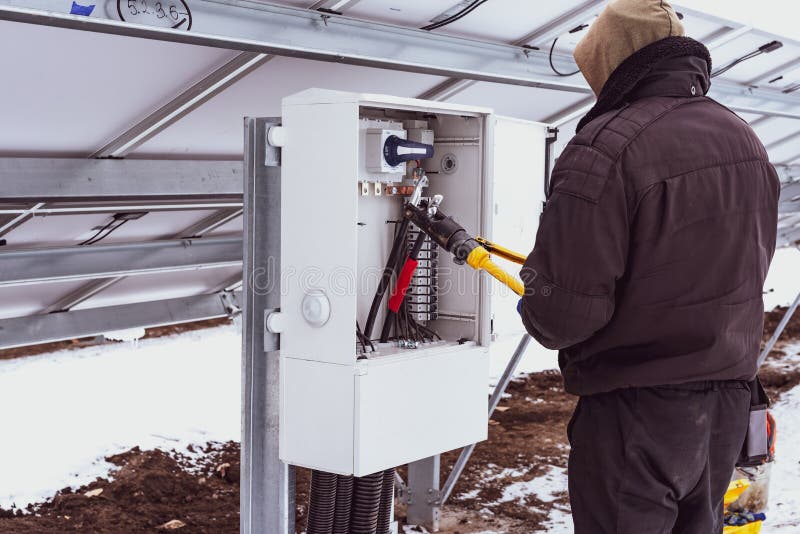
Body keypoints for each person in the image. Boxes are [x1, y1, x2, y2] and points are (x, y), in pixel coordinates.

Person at [517, 1, 780, 532]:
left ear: (611, 62)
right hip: (726, 408)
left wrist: (538, 295)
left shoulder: (605, 146)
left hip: (637, 415)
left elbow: (564, 317)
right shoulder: (744, 138)